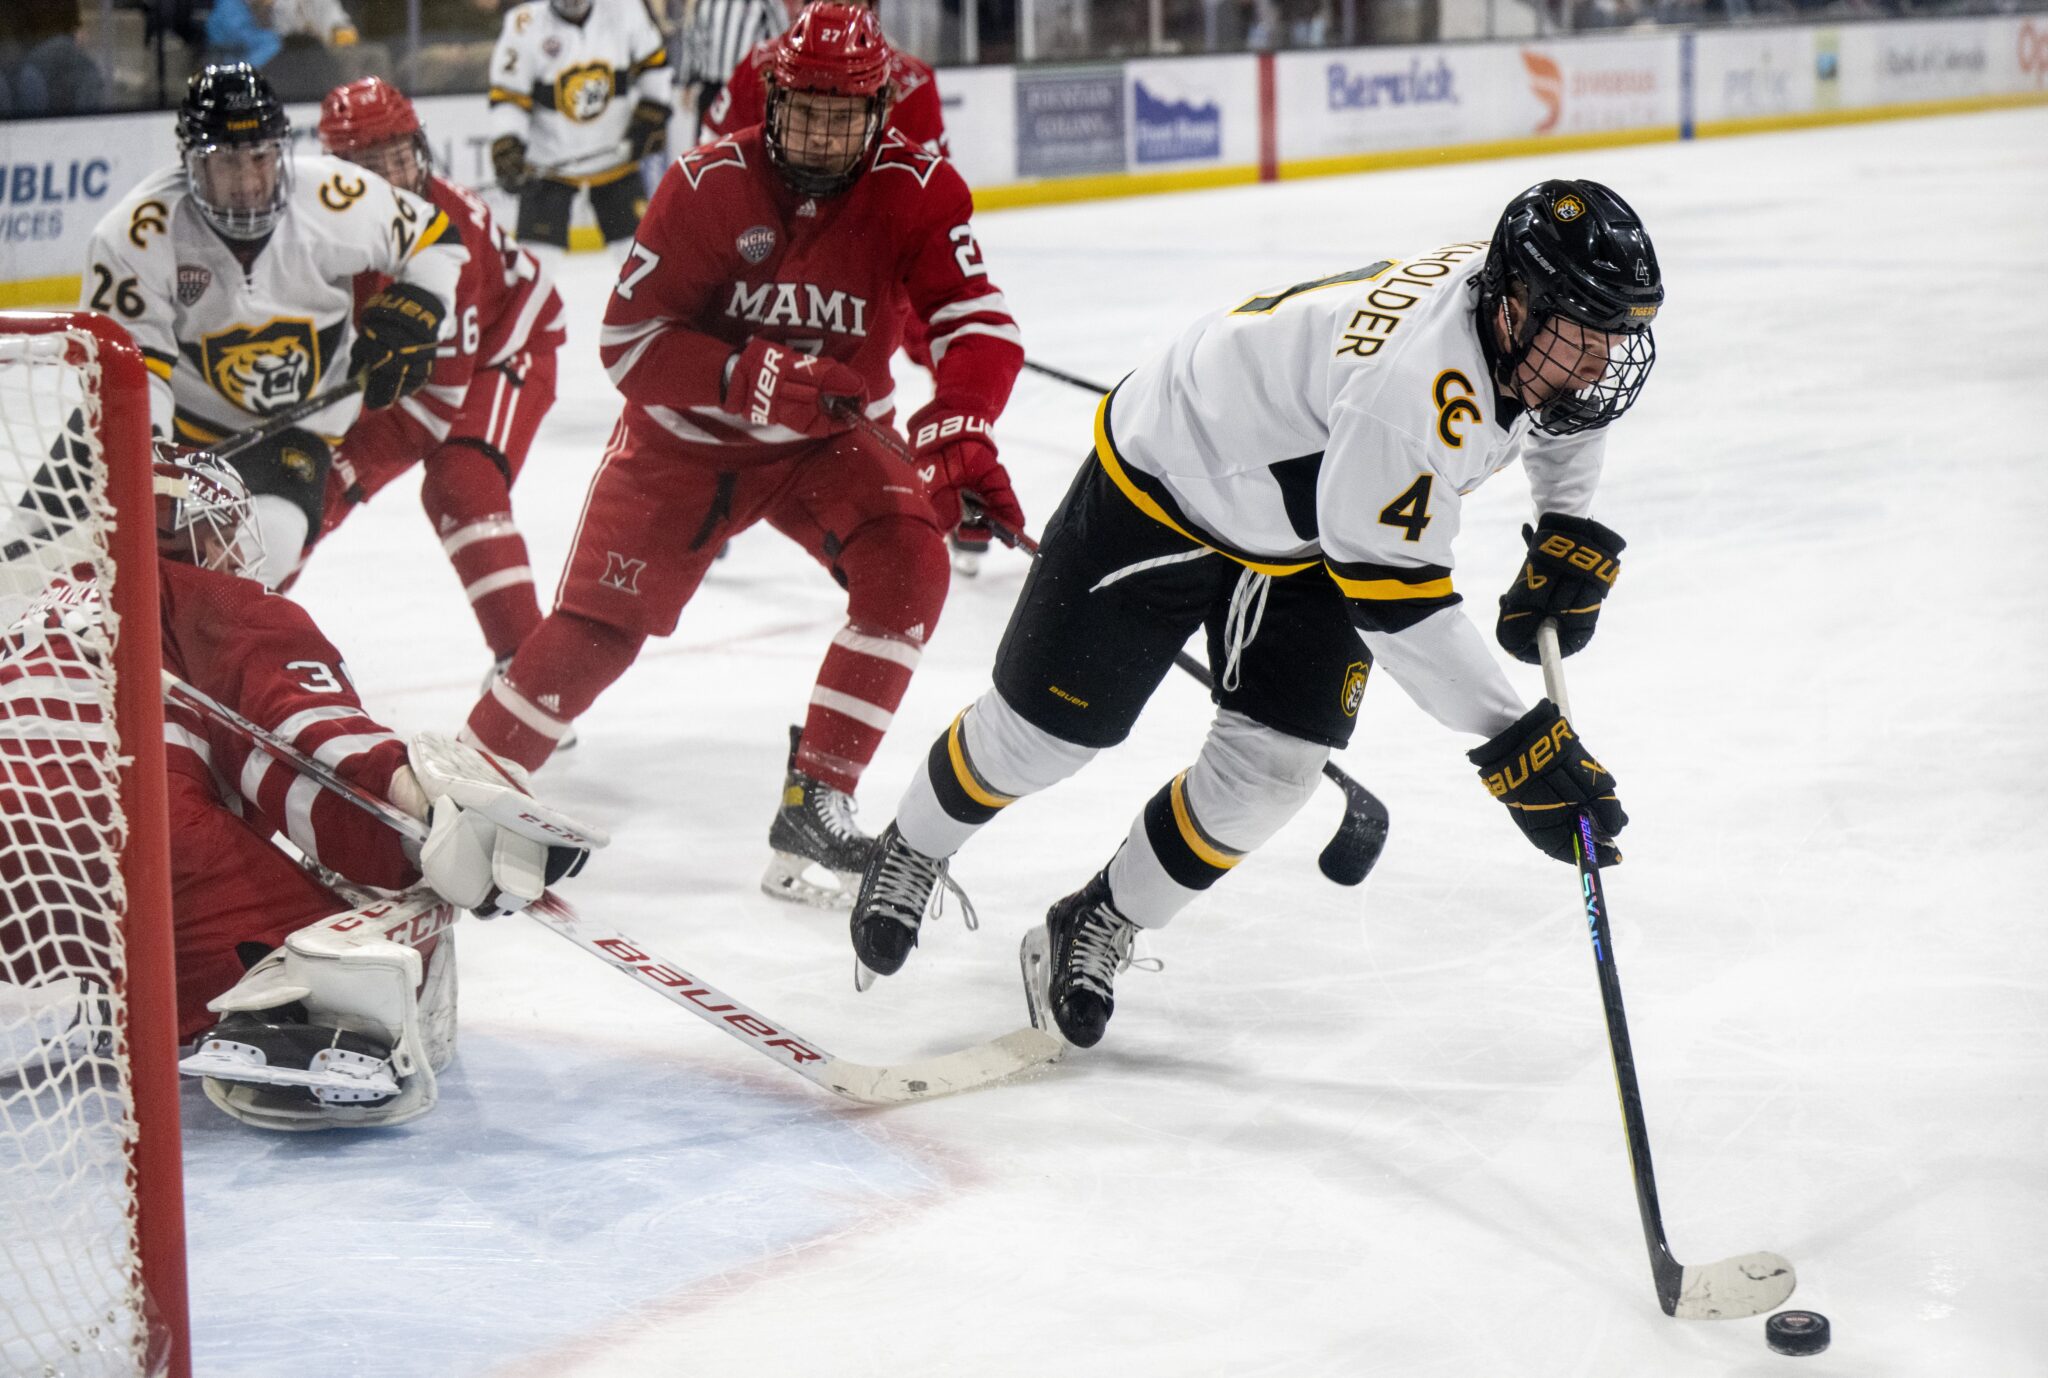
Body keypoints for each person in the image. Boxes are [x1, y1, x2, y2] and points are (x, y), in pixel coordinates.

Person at [848, 179, 1661, 1048]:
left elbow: (1563, 413)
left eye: (1615, 337)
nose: (1598, 366)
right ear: (1518, 304)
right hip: (1169, 479)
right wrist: (1514, 742)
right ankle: (914, 844)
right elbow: (1400, 605)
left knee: (1273, 772)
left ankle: (1100, 916)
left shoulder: (1522, 328)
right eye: (1585, 335)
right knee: (1043, 739)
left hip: (1315, 525)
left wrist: (1565, 522)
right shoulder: (1411, 390)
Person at [458, 2, 1024, 909]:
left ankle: (817, 801)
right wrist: (748, 376)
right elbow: (629, 344)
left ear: (881, 112)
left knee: (910, 568)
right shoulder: (706, 181)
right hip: (688, 443)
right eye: (807, 113)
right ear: (773, 100)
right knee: (602, 629)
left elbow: (976, 321)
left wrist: (960, 419)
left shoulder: (919, 185)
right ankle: (462, 787)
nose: (823, 136)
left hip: (829, 441)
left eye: (845, 117)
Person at [0, 449, 600, 1130]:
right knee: (381, 932)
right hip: (141, 845)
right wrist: (422, 818)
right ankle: (297, 1029)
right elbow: (303, 739)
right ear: (206, 537)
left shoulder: (31, 616)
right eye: (229, 532)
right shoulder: (213, 597)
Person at [78, 63, 466, 589]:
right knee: (35, 549)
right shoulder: (136, 235)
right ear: (191, 163)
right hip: (173, 430)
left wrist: (418, 309)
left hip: (292, 434)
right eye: (227, 163)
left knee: (245, 569)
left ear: (281, 150)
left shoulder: (334, 199)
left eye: (260, 157)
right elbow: (130, 371)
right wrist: (151, 461)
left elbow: (434, 237)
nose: (247, 183)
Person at [701, 0, 986, 574]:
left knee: (942, 340)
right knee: (718, 344)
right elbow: (713, 169)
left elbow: (929, 192)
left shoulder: (905, 81)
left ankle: (959, 472)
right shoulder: (761, 68)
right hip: (782, 254)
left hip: (862, 261)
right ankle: (706, 477)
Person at [313, 77, 568, 686]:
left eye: (398, 157)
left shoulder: (450, 234)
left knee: (461, 482)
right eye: (369, 166)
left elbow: (431, 408)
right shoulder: (315, 230)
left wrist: (347, 469)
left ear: (420, 149)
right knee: (297, 489)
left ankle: (530, 680)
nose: (391, 179)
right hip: (415, 372)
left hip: (507, 348)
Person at [488, 0, 671, 271]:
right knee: (531, 274)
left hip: (615, 161)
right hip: (548, 166)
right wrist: (508, 144)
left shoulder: (625, 8)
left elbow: (654, 65)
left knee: (645, 266)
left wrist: (652, 113)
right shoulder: (523, 24)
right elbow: (509, 97)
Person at [681, 0, 789, 144]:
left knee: (744, 145)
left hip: (745, 90)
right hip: (712, 86)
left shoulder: (766, 3)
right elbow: (694, 37)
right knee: (705, 145)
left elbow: (781, 40)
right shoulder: (707, 3)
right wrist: (689, 80)